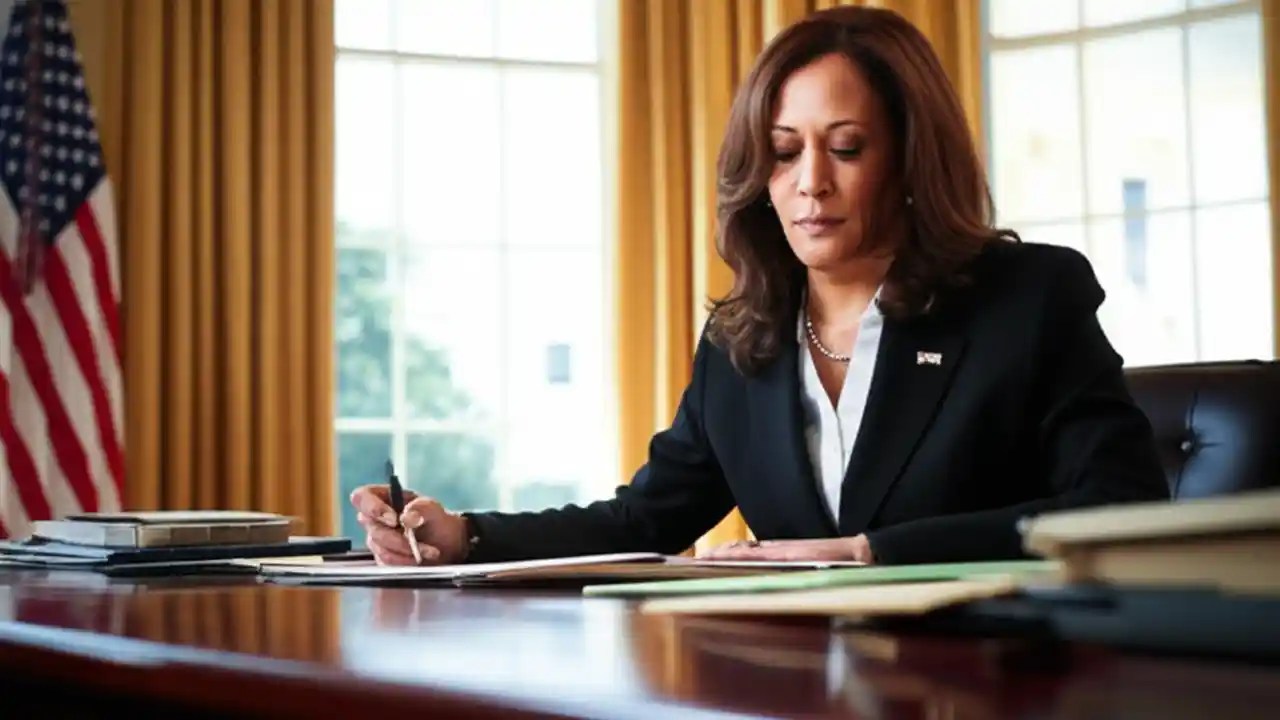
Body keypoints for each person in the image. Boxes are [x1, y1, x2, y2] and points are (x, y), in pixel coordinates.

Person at [350, 5, 1169, 567]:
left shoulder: (1029, 298)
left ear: (911, 161)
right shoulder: (747, 336)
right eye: (784, 151)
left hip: (996, 682)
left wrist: (867, 555)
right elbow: (645, 520)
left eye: (845, 148)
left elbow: (1119, 503)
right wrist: (466, 536)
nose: (810, 182)